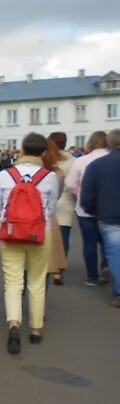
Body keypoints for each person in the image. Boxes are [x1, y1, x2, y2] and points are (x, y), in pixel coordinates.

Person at [0, 132, 60, 354]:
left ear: (21, 150)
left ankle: (14, 323)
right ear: (43, 152)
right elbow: (51, 207)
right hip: (40, 233)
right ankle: (36, 329)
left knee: (12, 281)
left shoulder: (6, 174)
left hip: (11, 232)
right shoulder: (49, 176)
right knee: (37, 281)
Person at [79, 129, 120, 308]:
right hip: (108, 214)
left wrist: (92, 210)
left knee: (115, 254)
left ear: (109, 144)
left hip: (108, 215)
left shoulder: (96, 165)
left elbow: (86, 195)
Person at [65, 130, 109, 286]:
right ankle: (107, 267)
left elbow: (70, 184)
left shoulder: (81, 161)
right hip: (108, 208)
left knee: (89, 242)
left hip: (85, 208)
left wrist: (79, 193)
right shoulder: (112, 159)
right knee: (107, 241)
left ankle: (92, 276)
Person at [47, 132, 75, 284]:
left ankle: (49, 264)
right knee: (63, 236)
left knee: (47, 235)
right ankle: (59, 270)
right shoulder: (73, 160)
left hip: (47, 200)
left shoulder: (46, 159)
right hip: (66, 200)